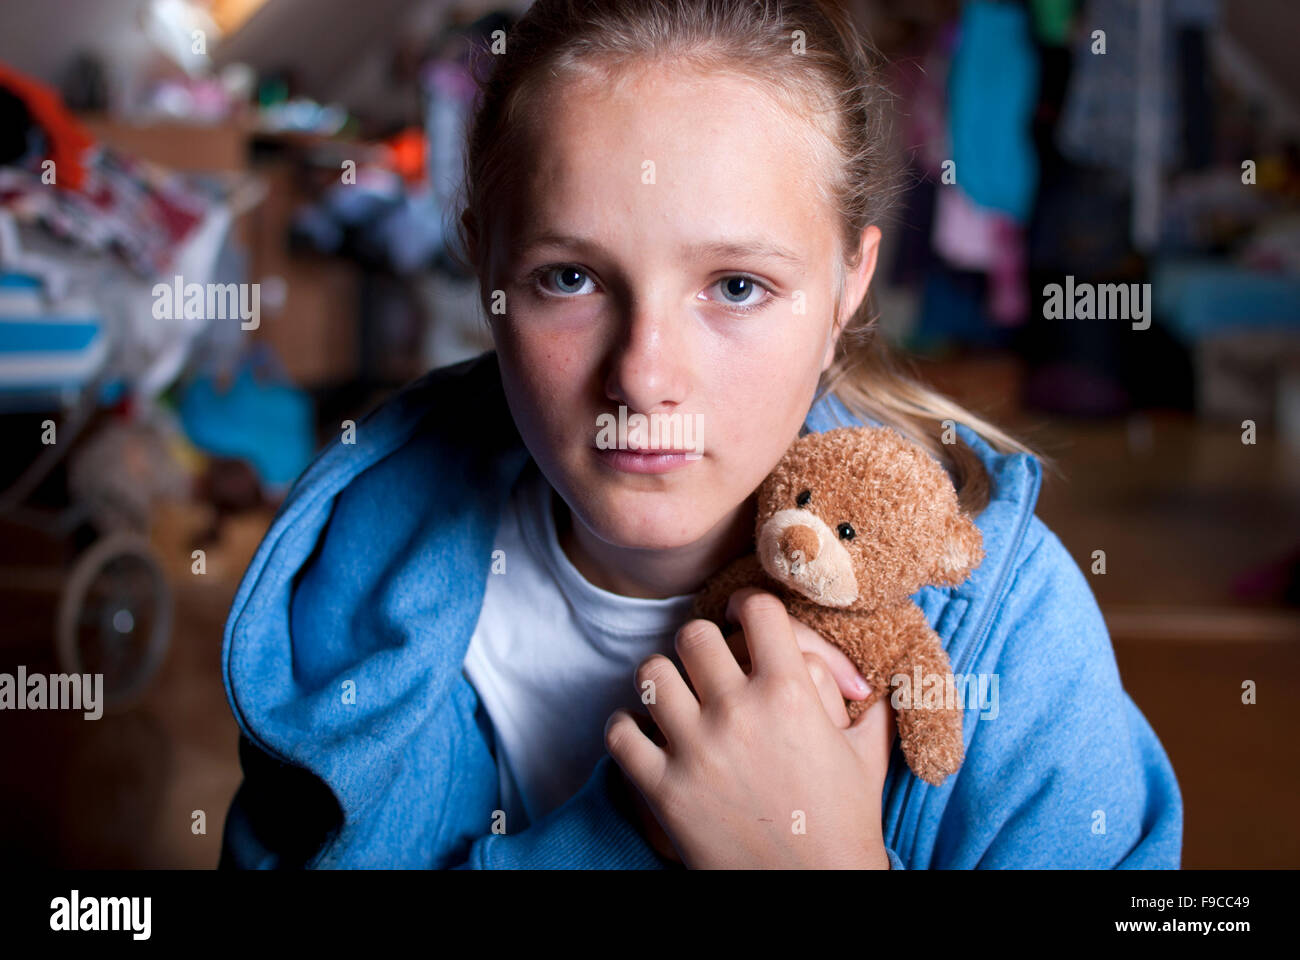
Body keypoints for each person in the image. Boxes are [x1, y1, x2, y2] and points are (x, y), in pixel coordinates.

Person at [219, 0, 1182, 869]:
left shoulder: (1006, 630)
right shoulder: (344, 582)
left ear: (850, 283)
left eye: (735, 288)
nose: (644, 373)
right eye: (571, 278)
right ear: (486, 265)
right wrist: (624, 841)